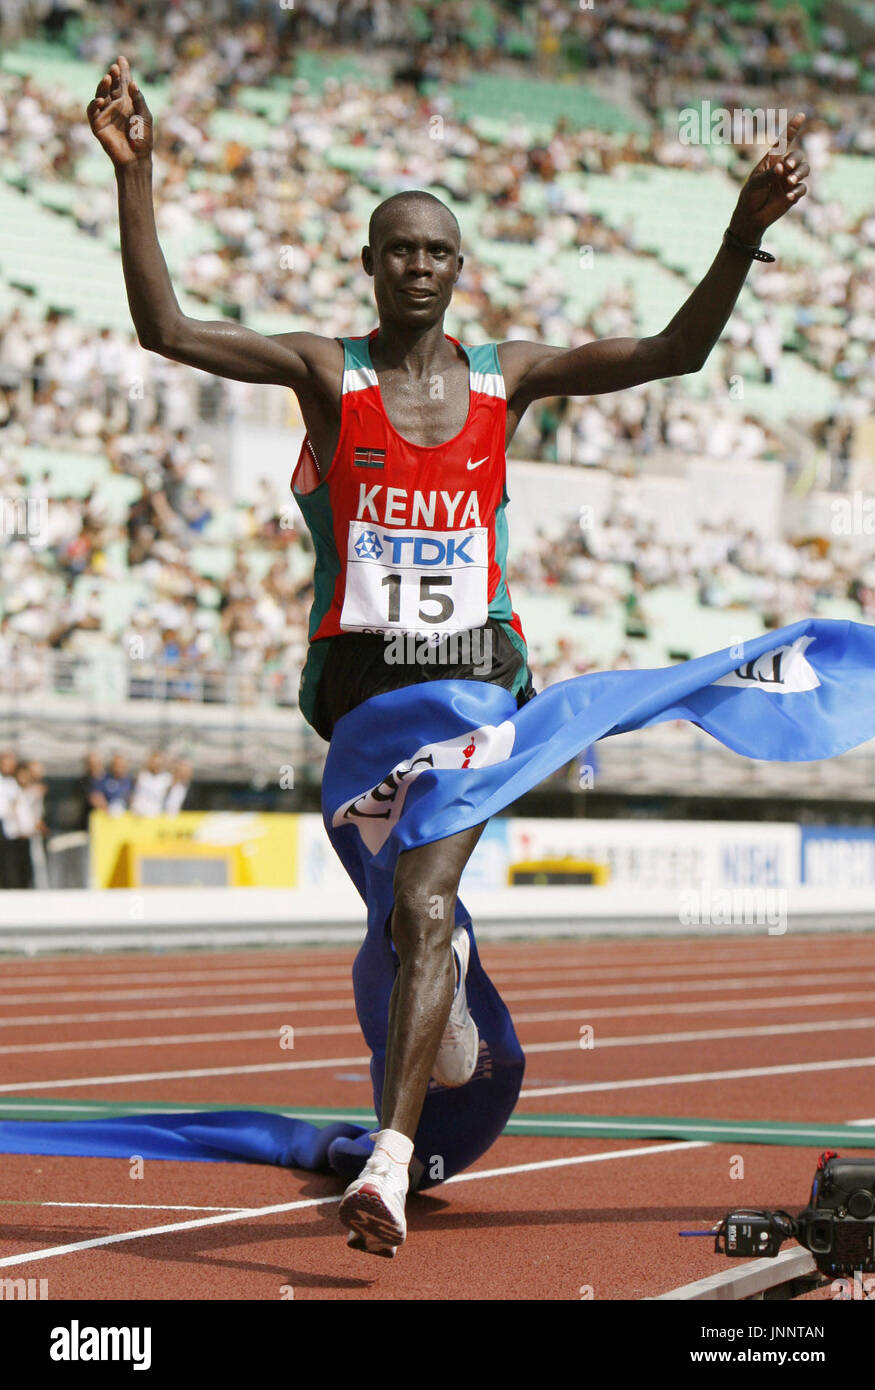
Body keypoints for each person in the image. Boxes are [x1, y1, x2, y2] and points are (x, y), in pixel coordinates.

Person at [88, 55, 809, 1255]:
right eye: (397, 250)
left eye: (436, 251)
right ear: (368, 268)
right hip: (363, 709)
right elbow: (165, 328)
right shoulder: (331, 373)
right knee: (401, 921)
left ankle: (382, 1161)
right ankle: (449, 1020)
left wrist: (738, 232)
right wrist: (138, 172)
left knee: (419, 901)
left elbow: (669, 352)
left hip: (474, 690)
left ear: (457, 271)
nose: (417, 265)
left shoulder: (504, 377)